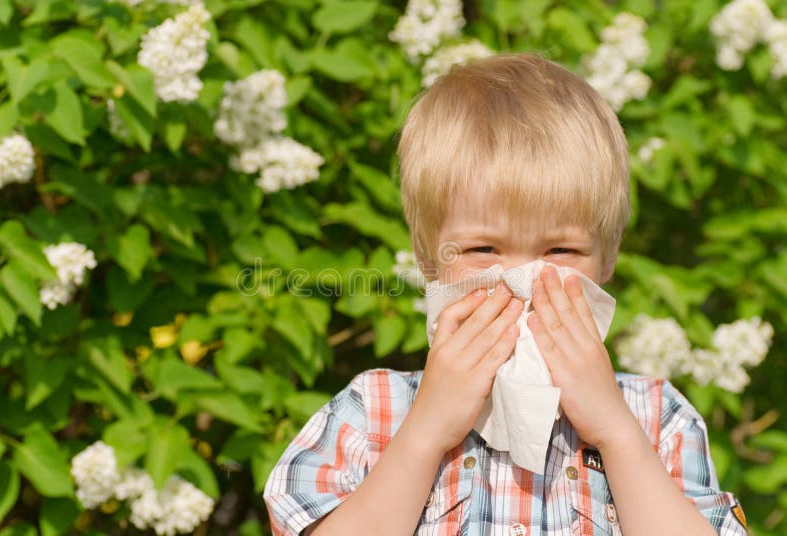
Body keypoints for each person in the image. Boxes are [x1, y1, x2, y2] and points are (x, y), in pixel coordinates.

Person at [263, 53, 748, 535]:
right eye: (483, 248)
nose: (522, 281)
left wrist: (617, 435)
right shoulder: (372, 410)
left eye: (560, 249)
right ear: (428, 256)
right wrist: (426, 432)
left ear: (609, 255)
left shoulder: (656, 419)